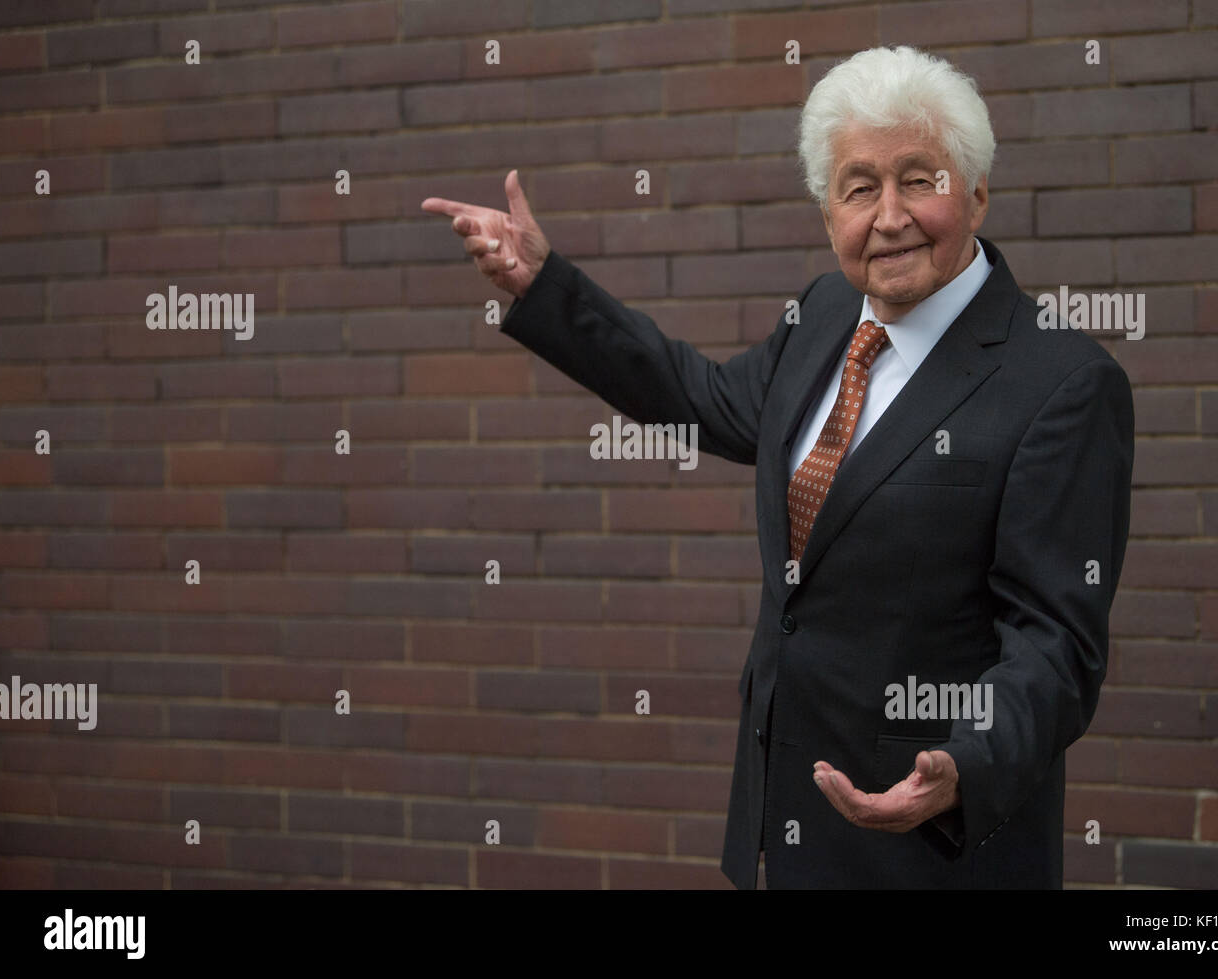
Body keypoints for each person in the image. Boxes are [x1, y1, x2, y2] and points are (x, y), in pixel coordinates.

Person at [421, 45, 1134, 889]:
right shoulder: (828, 311)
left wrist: (966, 762)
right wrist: (547, 287)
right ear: (828, 210)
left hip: (937, 850)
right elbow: (706, 400)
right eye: (860, 187)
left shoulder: (1061, 383)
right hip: (789, 826)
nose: (891, 215)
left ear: (975, 191)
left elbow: (1057, 647)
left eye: (921, 179)